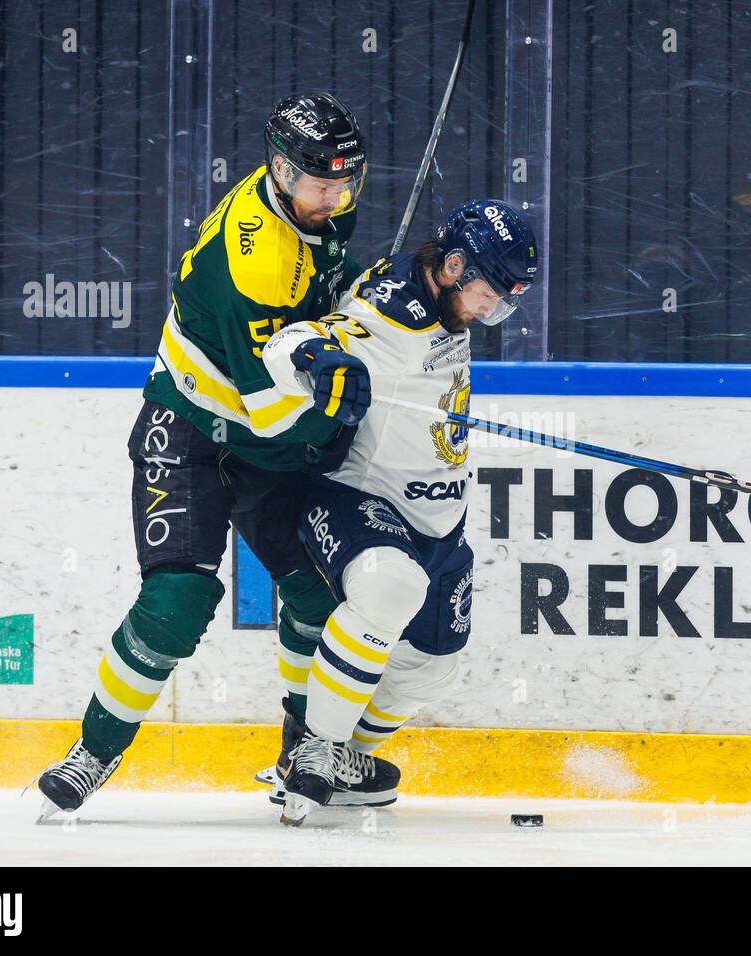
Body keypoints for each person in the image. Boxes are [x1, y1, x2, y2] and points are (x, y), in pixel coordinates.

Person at [38, 92, 399, 815]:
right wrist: (334, 407)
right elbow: (268, 411)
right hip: (195, 428)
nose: (336, 197)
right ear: (279, 170)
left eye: (345, 182)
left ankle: (304, 752)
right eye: (323, 183)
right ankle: (93, 752)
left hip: (261, 431)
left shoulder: (318, 203)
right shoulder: (257, 263)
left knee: (318, 594)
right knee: (177, 602)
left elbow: (320, 299)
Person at [259, 199, 539, 824]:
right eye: (492, 290)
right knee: (390, 589)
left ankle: (352, 759)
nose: (494, 306)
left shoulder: (443, 305)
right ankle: (315, 749)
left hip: (441, 518)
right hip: (361, 494)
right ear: (454, 265)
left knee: (434, 668)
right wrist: (317, 359)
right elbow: (288, 344)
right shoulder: (392, 313)